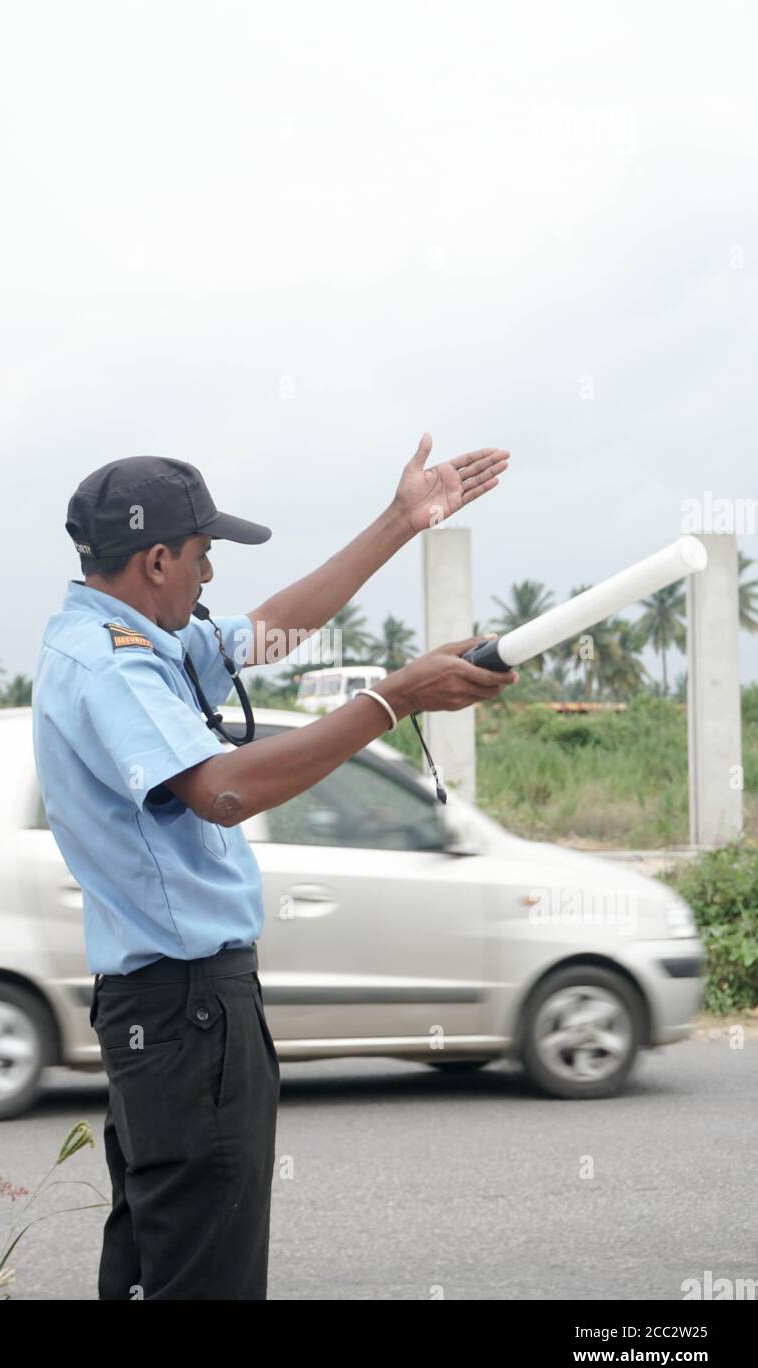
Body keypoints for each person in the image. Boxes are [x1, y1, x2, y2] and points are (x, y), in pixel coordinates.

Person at [31, 437, 517, 1300]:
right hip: (186, 1015)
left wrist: (399, 522)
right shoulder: (113, 664)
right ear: (155, 560)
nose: (209, 575)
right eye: (202, 554)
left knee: (158, 1264)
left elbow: (272, 631)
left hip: (167, 1010)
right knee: (204, 1276)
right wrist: (393, 698)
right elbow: (220, 792)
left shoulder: (127, 636)